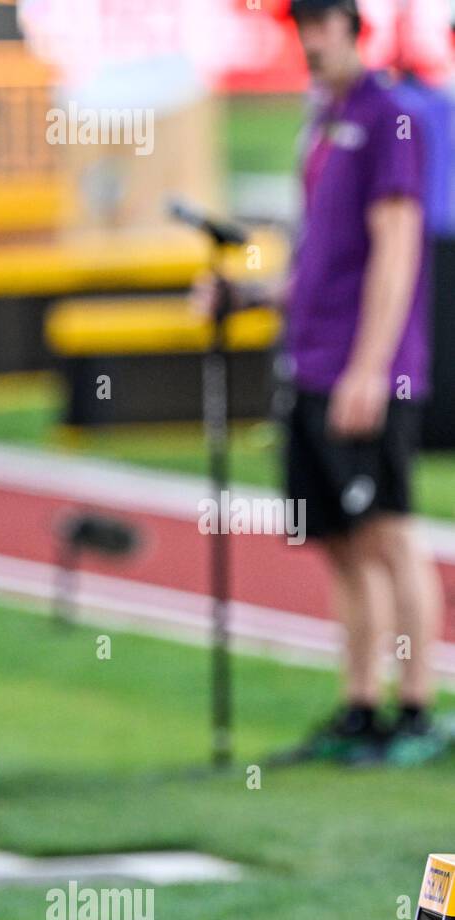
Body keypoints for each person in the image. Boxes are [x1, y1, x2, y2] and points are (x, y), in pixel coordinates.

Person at [198, 0, 445, 764]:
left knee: (390, 534)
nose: (306, 37)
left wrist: (371, 369)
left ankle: (415, 711)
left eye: (319, 21)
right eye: (297, 23)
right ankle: (360, 704)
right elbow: (318, 261)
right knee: (338, 541)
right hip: (308, 360)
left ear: (351, 26)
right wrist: (250, 295)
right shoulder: (322, 123)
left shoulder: (389, 118)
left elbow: (399, 250)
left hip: (363, 369)